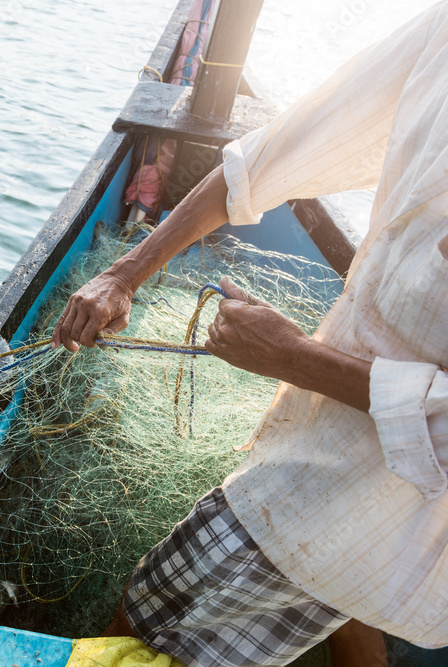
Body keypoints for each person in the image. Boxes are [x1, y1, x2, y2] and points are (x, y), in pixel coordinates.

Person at [50, 3, 448, 666]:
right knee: (332, 607)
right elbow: (273, 155)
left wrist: (291, 356)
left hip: (403, 503)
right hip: (320, 435)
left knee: (146, 617)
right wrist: (126, 273)